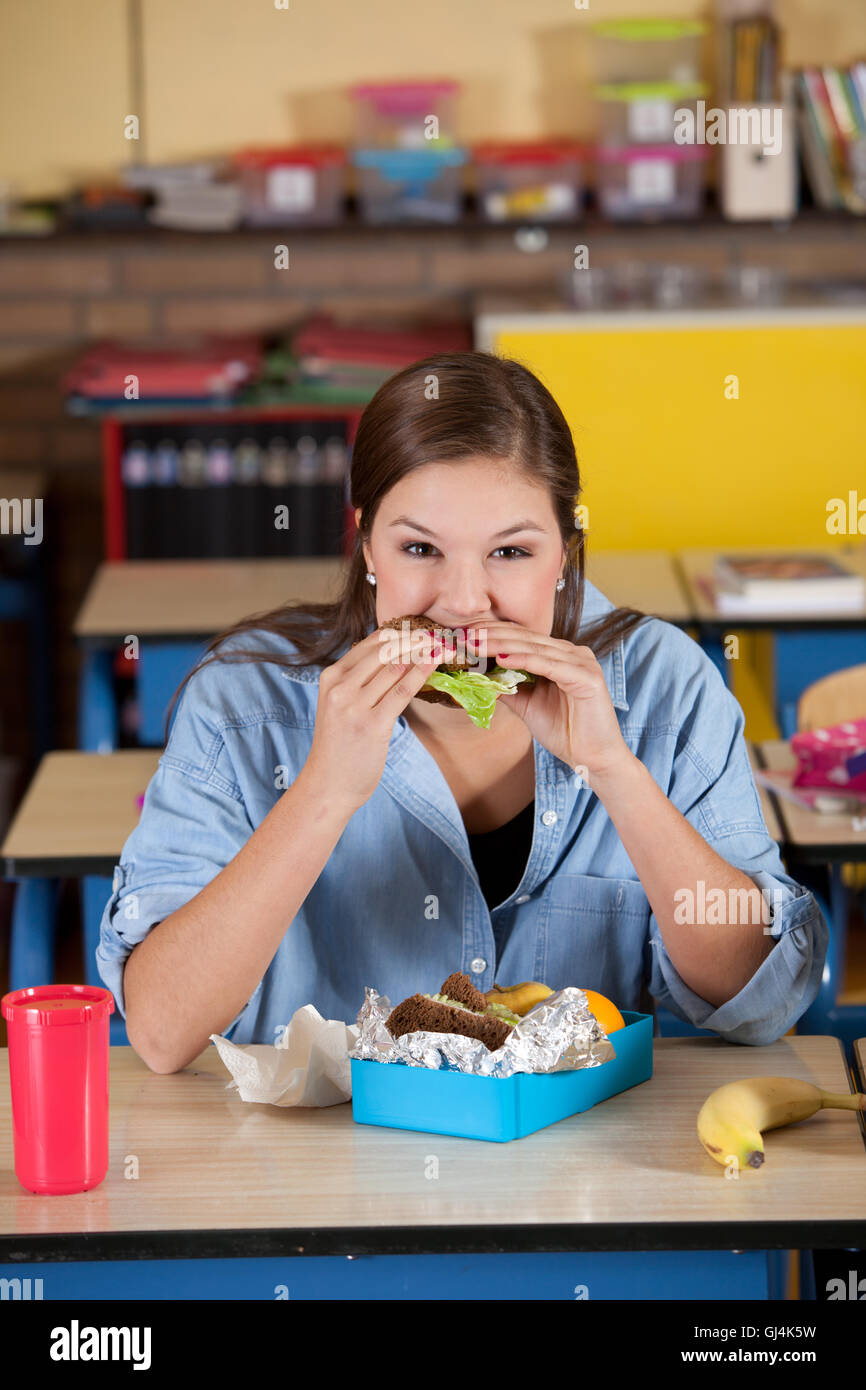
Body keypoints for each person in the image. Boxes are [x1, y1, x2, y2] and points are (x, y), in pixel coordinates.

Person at [96, 352, 828, 1073]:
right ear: (367, 546)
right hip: (310, 1178)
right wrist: (323, 792)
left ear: (567, 553)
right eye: (420, 547)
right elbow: (161, 1033)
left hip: (586, 1177)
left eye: (511, 552)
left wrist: (615, 772)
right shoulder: (243, 701)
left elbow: (759, 1002)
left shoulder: (668, 688)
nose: (464, 601)